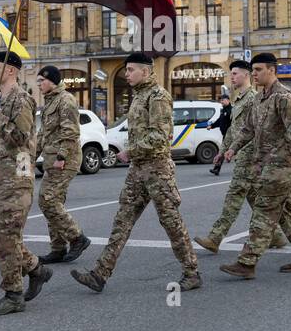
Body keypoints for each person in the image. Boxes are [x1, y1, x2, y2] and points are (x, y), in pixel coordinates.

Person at [72, 52, 202, 292]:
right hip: (138, 171)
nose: (127, 74)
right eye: (127, 70)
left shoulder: (158, 96)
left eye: (131, 70)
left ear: (146, 70)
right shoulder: (139, 96)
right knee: (122, 222)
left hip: (158, 171)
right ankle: (100, 274)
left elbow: (160, 136)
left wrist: (129, 151)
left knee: (171, 223)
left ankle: (191, 272)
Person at [216, 52, 291, 278]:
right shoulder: (260, 98)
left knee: (263, 210)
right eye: (253, 70)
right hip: (266, 164)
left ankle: (247, 262)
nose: (255, 74)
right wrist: (233, 147)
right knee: (289, 212)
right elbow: (248, 129)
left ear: (272, 70)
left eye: (259, 70)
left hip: (281, 164)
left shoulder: (284, 97)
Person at [0, 51, 51, 316]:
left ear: (11, 71)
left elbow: (20, 138)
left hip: (17, 178)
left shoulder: (22, 100)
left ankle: (13, 294)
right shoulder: (0, 99)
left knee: (6, 237)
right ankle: (35, 268)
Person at [195, 59, 291, 254]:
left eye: (235, 74)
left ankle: (215, 237)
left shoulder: (254, 99)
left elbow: (257, 130)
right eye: (231, 74)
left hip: (250, 156)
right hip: (241, 155)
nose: (232, 77)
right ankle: (277, 236)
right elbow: (233, 129)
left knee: (234, 195)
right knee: (257, 198)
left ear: (246, 75)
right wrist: (222, 151)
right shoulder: (238, 99)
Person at [36, 65, 91, 264]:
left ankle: (77, 238)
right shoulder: (50, 102)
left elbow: (71, 132)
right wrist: (29, 159)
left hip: (64, 161)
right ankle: (58, 248)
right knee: (52, 203)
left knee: (48, 201)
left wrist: (61, 158)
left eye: (42, 81)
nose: (39, 84)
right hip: (52, 160)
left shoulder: (65, 100)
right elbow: (43, 135)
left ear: (51, 80)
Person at [209, 93, 233, 176]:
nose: (221, 101)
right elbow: (220, 121)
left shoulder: (231, 110)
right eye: (221, 100)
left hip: (231, 135)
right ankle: (216, 169)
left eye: (223, 100)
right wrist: (211, 126)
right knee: (222, 151)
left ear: (228, 100)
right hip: (225, 135)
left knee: (224, 151)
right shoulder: (223, 110)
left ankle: (217, 168)